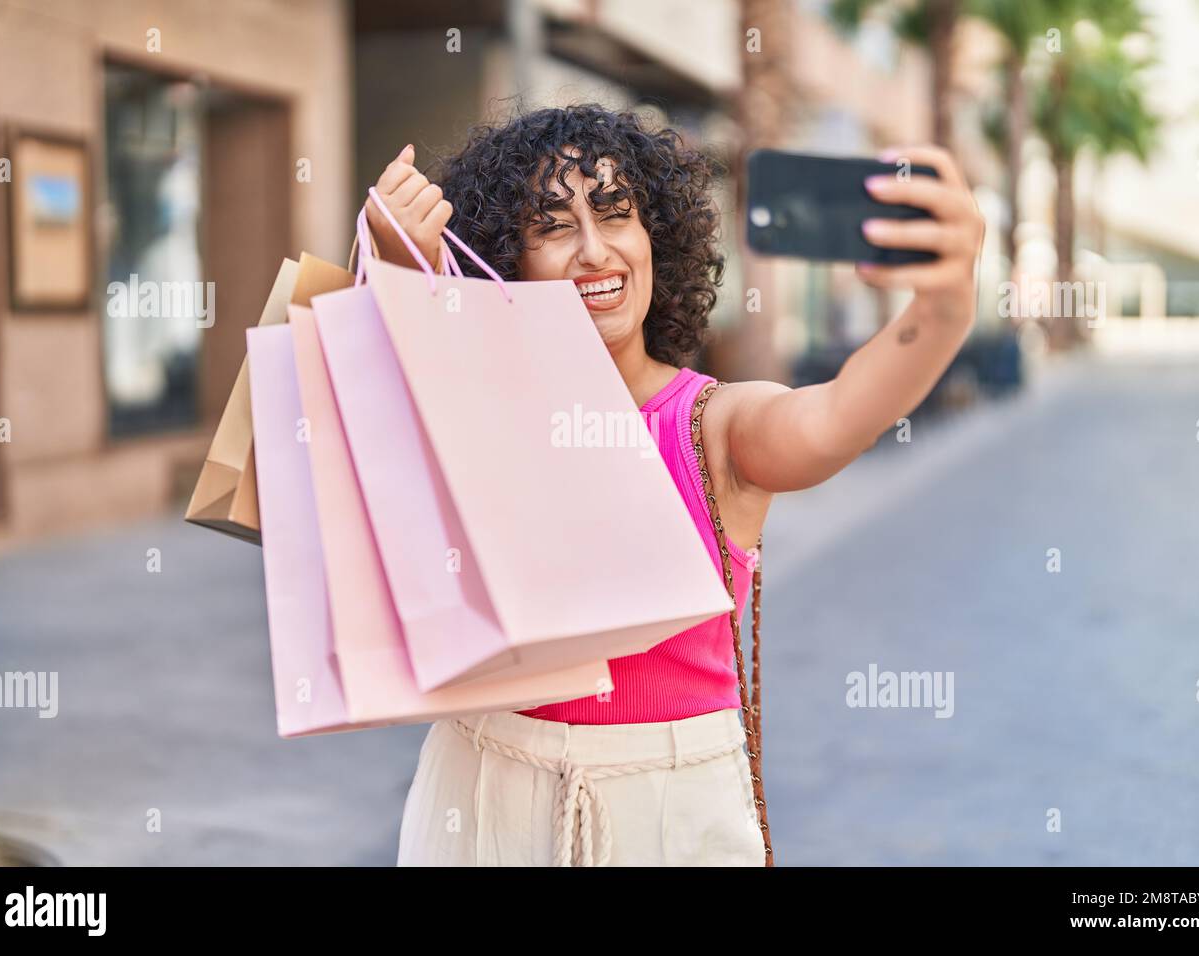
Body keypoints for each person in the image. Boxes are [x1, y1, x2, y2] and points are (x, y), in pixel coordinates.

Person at [364, 104, 984, 867]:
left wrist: (945, 310)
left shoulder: (714, 426)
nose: (595, 251)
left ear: (657, 237)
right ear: (504, 260)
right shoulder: (470, 415)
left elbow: (833, 418)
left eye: (617, 215)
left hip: (670, 815)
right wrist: (393, 277)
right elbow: (359, 463)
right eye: (553, 225)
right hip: (481, 789)